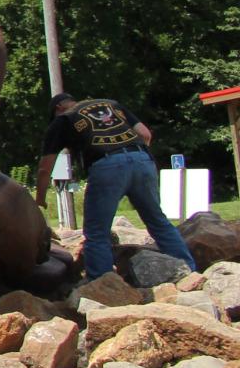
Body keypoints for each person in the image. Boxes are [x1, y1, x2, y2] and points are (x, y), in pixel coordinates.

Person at [34, 92, 197, 281]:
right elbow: (145, 134)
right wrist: (133, 157)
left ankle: (103, 282)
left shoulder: (63, 119)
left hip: (106, 165)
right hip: (142, 159)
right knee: (158, 221)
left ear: (58, 108)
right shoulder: (111, 104)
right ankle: (188, 271)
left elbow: (45, 168)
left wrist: (40, 199)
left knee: (97, 232)